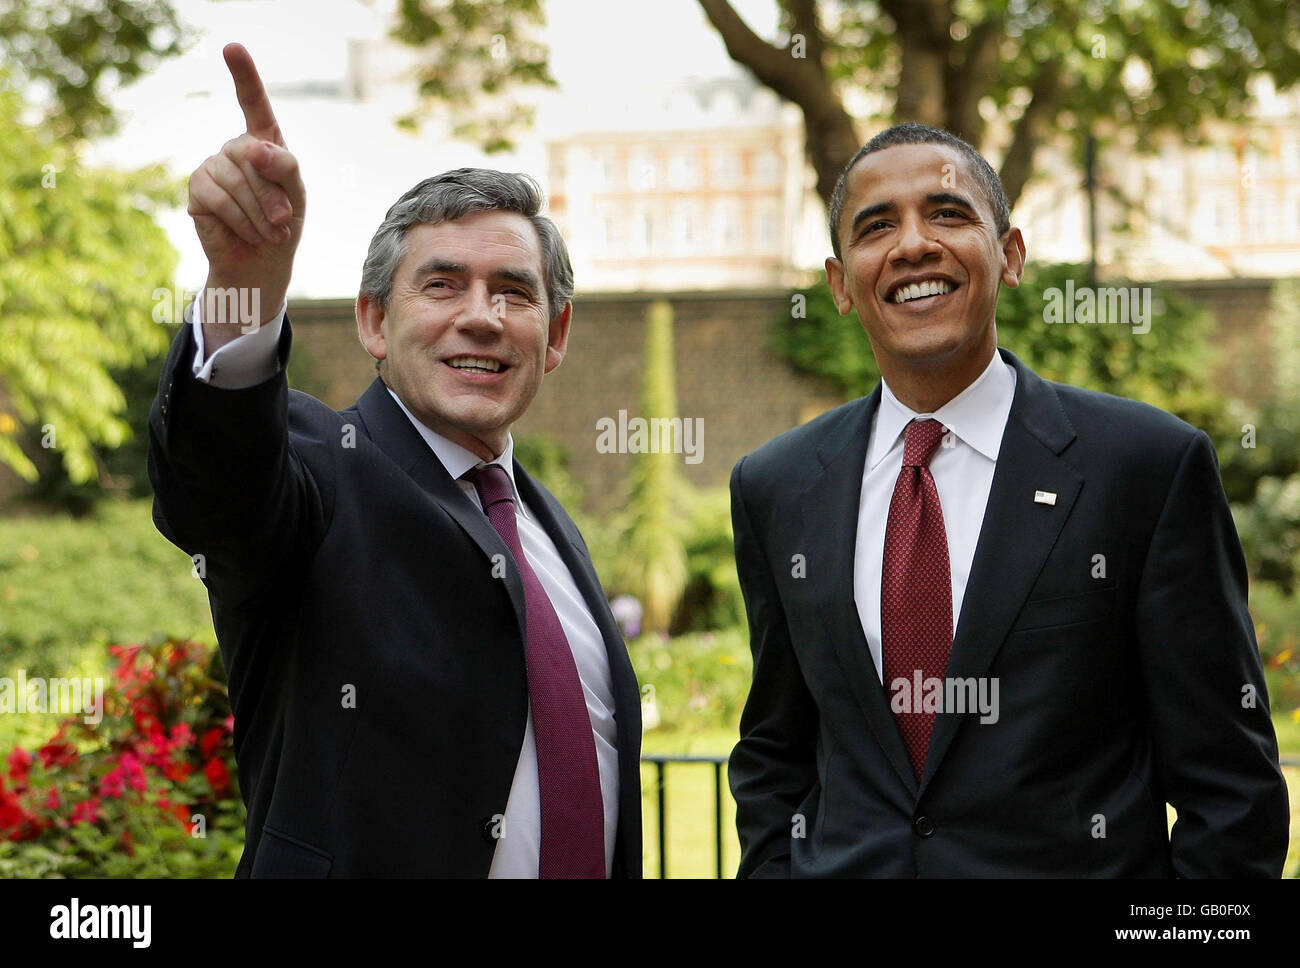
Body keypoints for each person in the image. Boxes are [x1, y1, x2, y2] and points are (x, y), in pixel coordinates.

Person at [727, 121, 1289, 877]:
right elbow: (776, 752)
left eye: (949, 213)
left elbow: (1231, 788)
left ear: (1010, 255)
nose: (913, 244)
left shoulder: (1146, 467)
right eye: (877, 226)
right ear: (839, 284)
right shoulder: (777, 487)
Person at [148, 43, 641, 878]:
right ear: (374, 322)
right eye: (442, 285)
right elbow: (216, 486)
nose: (481, 317)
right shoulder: (315, 473)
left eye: (513, 292)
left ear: (554, 336)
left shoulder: (551, 531)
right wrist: (242, 287)